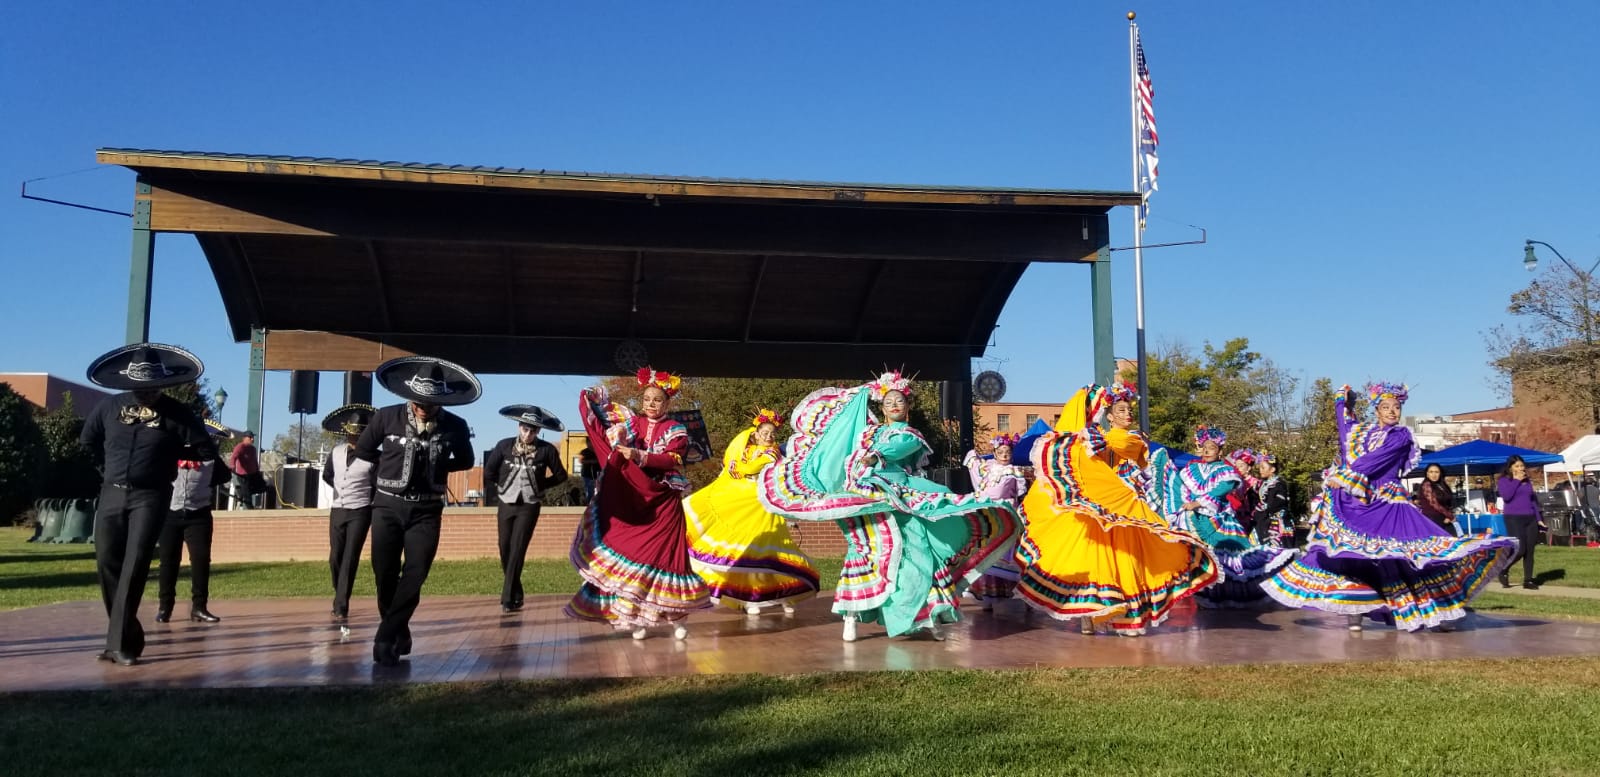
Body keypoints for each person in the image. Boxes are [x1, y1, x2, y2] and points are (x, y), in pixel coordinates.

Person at [757, 372, 1021, 642]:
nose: (894, 405)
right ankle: (851, 617)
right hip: (865, 496)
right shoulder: (868, 432)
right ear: (882, 408)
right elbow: (843, 440)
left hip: (899, 498)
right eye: (888, 402)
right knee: (864, 552)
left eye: (899, 401)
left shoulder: (910, 434)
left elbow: (898, 448)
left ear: (908, 406)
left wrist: (875, 456)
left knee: (917, 556)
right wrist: (861, 396)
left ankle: (926, 615)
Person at [1262, 383, 1518, 631]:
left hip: (1390, 503)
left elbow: (1377, 459)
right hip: (1363, 502)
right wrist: (1343, 401)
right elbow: (1345, 430)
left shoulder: (1400, 435)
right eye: (1386, 407)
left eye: (1396, 407)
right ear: (1377, 410)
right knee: (1352, 555)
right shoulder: (1363, 433)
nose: (1392, 412)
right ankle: (1355, 611)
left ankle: (1435, 610)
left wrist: (1345, 475)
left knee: (1404, 557)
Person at [1015, 384, 1219, 635]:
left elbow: (1121, 447)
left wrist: (1086, 432)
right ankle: (1091, 612)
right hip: (1099, 501)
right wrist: (1087, 411)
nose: (1128, 414)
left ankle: (1126, 615)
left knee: (1128, 558)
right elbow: (1083, 448)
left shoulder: (1126, 438)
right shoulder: (1093, 438)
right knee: (1094, 556)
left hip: (1124, 502)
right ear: (1109, 415)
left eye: (1129, 410)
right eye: (1121, 410)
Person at [79, 343, 215, 666]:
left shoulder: (178, 413)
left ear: (162, 385)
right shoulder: (108, 407)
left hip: (151, 497)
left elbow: (206, 450)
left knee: (135, 563)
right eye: (141, 388)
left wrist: (172, 454)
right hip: (111, 493)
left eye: (153, 389)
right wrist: (105, 471)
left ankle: (117, 645)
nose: (146, 394)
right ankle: (128, 635)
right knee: (106, 562)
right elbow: (87, 441)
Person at [567, 367, 710, 639]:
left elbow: (673, 458)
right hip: (638, 495)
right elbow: (607, 434)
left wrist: (638, 455)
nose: (651, 405)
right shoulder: (633, 424)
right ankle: (639, 618)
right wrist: (594, 405)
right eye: (646, 400)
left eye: (657, 400)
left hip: (665, 498)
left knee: (668, 556)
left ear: (667, 403)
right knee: (637, 553)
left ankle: (677, 617)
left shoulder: (675, 428)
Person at [354, 356, 479, 666]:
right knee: (384, 573)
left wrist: (438, 467)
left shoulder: (455, 425)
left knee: (416, 572)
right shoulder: (386, 417)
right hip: (387, 505)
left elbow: (465, 460)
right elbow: (364, 449)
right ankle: (400, 629)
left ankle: (386, 635)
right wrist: (388, 465)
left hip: (426, 509)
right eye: (419, 400)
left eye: (430, 402)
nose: (424, 406)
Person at [685, 408, 821, 615]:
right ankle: (749, 598)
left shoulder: (773, 453)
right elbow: (735, 466)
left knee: (770, 549)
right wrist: (740, 466)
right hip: (745, 502)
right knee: (745, 550)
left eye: (772, 433)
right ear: (756, 434)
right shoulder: (747, 450)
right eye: (764, 433)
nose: (769, 437)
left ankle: (784, 595)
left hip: (763, 504)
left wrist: (742, 467)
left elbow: (749, 469)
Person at [1150, 426, 1296, 608]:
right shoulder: (1192, 468)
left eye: (1211, 448)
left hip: (1217, 520)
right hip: (1194, 519)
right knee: (1196, 556)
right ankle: (1200, 593)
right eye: (1204, 447)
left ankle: (1234, 594)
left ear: (1220, 451)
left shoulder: (1225, 470)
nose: (1206, 451)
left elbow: (1223, 488)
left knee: (1230, 558)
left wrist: (1199, 502)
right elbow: (1179, 485)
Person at [484, 404, 569, 613]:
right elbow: (489, 472)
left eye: (533, 430)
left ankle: (507, 598)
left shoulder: (546, 450)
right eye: (525, 429)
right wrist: (501, 486)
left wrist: (541, 485)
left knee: (518, 548)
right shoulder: (504, 446)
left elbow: (561, 475)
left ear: (539, 431)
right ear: (519, 427)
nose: (528, 434)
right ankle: (516, 593)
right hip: (506, 502)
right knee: (504, 547)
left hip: (529, 506)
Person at [154, 418, 232, 625]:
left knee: (200, 561)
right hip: (170, 513)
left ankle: (199, 607)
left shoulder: (210, 456)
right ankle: (165, 607)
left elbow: (224, 476)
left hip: (199, 514)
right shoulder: (170, 452)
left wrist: (205, 483)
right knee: (168, 562)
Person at [320, 403, 377, 622]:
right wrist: (339, 490)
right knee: (335, 557)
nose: (354, 438)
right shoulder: (335, 452)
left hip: (360, 511)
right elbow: (328, 475)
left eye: (359, 435)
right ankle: (340, 592)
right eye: (352, 434)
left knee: (350, 557)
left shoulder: (374, 457)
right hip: (338, 509)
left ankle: (341, 605)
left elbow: (377, 484)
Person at [963, 432, 1030, 609]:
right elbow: (975, 469)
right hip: (988, 513)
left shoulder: (1014, 471)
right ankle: (986, 595)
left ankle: (1025, 595)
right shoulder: (988, 468)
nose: (1004, 455)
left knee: (1009, 553)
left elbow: (1020, 493)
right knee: (987, 551)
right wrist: (972, 453)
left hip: (1006, 514)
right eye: (1000, 452)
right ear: (994, 453)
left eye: (1007, 452)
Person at [1496, 455, 1543, 589]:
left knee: (1529, 551)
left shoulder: (1527, 481)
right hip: (1514, 518)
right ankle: (1503, 569)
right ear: (1510, 468)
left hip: (1530, 518)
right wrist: (1516, 480)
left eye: (1522, 466)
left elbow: (1532, 500)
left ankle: (1528, 580)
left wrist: (1539, 519)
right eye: (1517, 466)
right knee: (1520, 549)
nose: (1520, 468)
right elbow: (1507, 497)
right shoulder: (1504, 480)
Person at [1251, 453, 1293, 546]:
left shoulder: (1279, 484)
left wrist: (1266, 507)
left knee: (1276, 547)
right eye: (1260, 467)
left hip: (1276, 520)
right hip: (1263, 519)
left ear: (1272, 469)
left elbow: (1279, 502)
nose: (1260, 470)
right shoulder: (1261, 484)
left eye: (1263, 468)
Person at [1412, 463, 1457, 535]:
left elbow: (1449, 502)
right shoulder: (1426, 485)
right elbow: (1434, 503)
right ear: (1427, 474)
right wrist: (1450, 516)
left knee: (1452, 539)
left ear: (1440, 473)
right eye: (1431, 472)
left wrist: (1450, 514)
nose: (1434, 475)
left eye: (1436, 472)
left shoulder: (1441, 486)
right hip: (1432, 519)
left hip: (1444, 518)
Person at [228, 430, 261, 508]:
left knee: (251, 490)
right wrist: (232, 466)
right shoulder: (240, 447)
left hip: (251, 474)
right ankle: (249, 508)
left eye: (252, 437)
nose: (252, 439)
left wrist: (257, 471)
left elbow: (254, 461)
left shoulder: (253, 449)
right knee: (246, 492)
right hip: (242, 474)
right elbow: (233, 457)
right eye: (250, 437)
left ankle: (241, 497)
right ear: (244, 438)